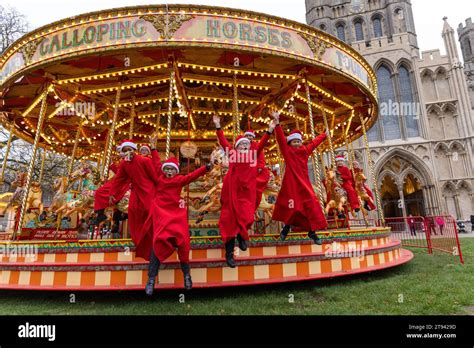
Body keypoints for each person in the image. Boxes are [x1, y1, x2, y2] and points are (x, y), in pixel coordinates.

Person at [144, 157, 212, 295]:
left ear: (176, 171)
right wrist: (153, 149)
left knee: (183, 243)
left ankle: (187, 275)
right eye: (167, 169)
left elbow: (191, 176)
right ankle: (151, 280)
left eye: (172, 169)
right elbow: (157, 163)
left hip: (175, 215)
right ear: (164, 170)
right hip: (162, 215)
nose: (169, 171)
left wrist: (205, 168)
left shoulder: (179, 180)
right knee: (157, 243)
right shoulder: (159, 179)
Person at [213, 114, 273, 268]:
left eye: (246, 145)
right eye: (241, 145)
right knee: (229, 223)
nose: (245, 147)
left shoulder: (253, 155)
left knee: (247, 217)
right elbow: (224, 142)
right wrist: (218, 126)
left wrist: (270, 130)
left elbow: (261, 145)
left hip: (246, 194)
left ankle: (242, 235)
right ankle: (229, 253)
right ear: (236, 147)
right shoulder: (233, 155)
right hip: (233, 193)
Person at [271, 111, 328, 244]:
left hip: (304, 184)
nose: (297, 143)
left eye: (298, 141)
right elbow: (280, 139)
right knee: (294, 208)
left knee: (312, 205)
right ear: (290, 143)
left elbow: (314, 144)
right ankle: (286, 227)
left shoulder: (304, 151)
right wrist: (277, 124)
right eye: (294, 141)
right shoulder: (288, 152)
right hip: (291, 185)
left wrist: (324, 135)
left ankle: (312, 231)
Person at [108, 139, 160, 260]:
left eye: (129, 149)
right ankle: (139, 239)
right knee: (133, 211)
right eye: (125, 150)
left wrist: (161, 190)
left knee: (149, 212)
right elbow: (119, 179)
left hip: (148, 191)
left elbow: (154, 176)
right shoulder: (124, 164)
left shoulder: (145, 160)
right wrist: (112, 193)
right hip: (136, 191)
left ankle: (155, 239)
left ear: (134, 150)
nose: (127, 152)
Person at [243, 129, 271, 209]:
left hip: (254, 168)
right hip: (245, 169)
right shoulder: (242, 145)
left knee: (255, 184)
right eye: (247, 136)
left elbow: (261, 157)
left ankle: (254, 199)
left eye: (250, 136)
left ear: (253, 137)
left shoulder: (256, 145)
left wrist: (260, 167)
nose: (249, 137)